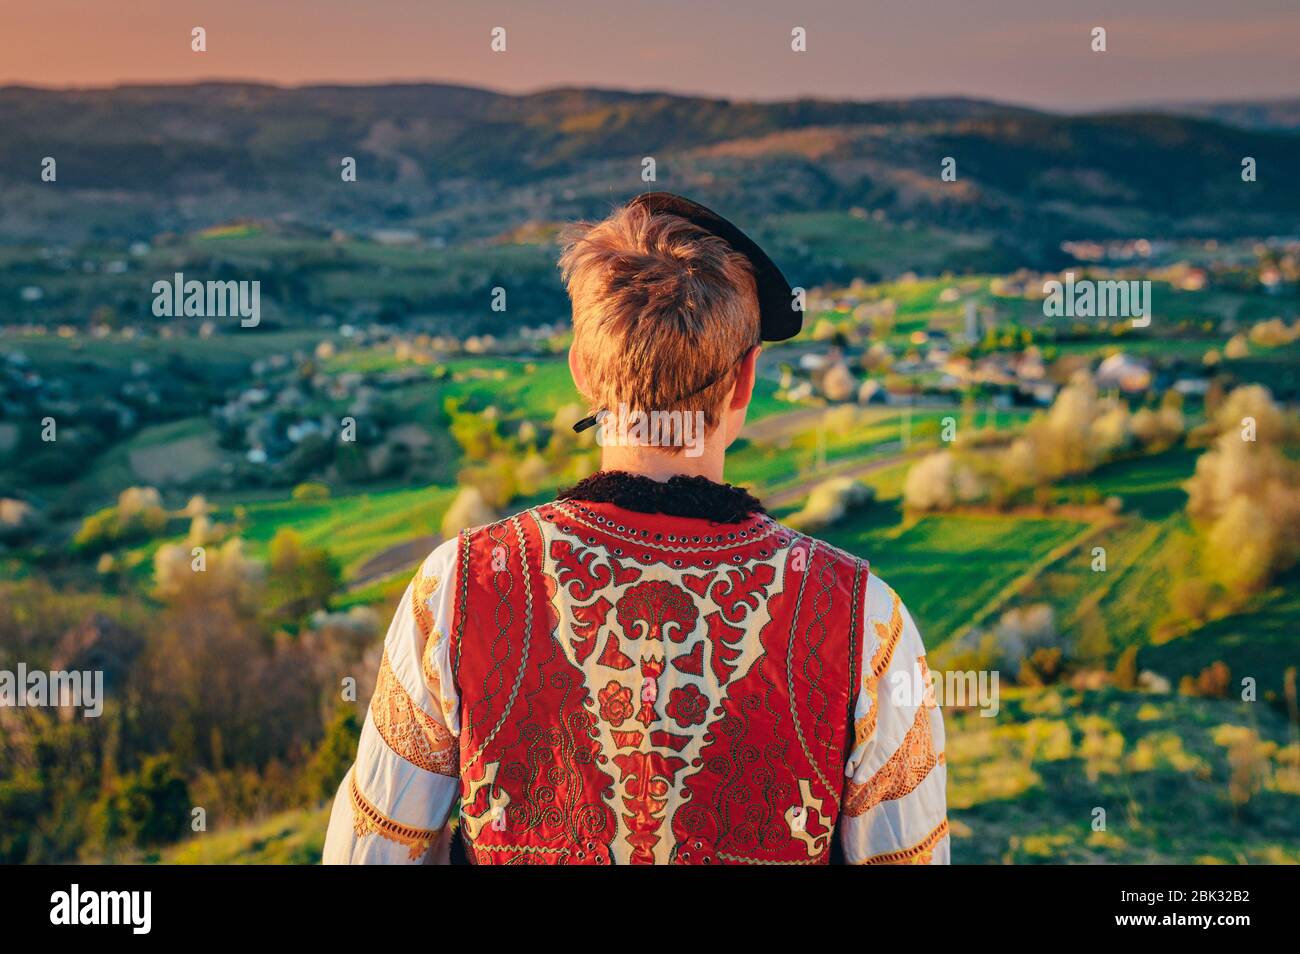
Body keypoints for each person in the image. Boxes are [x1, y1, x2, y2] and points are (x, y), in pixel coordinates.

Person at [323, 193, 948, 865]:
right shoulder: (863, 621)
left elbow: (370, 851)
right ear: (745, 382)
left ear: (583, 374)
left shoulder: (457, 589)